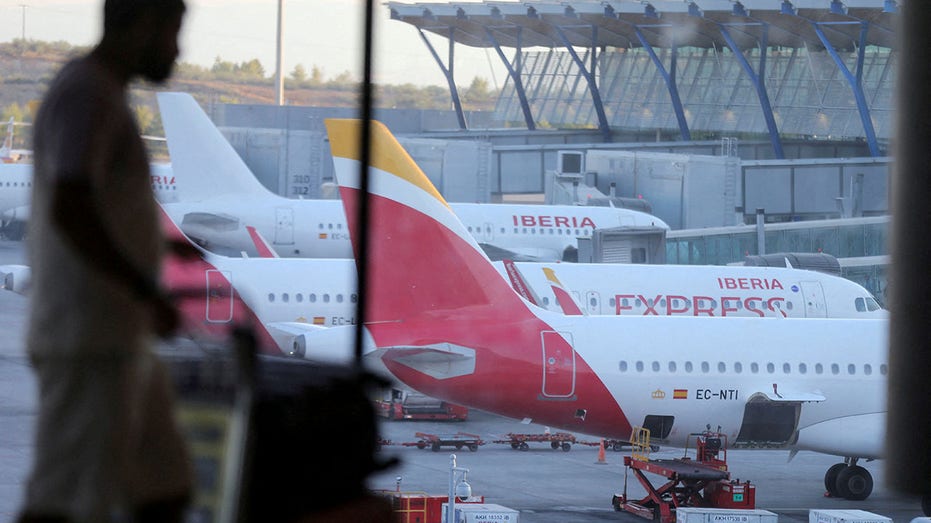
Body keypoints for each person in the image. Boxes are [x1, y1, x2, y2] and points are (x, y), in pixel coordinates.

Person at [18, 1, 193, 521]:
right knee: (64, 504)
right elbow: (71, 205)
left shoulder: (101, 95)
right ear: (139, 26)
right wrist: (144, 289)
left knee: (165, 492)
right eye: (170, 33)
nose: (176, 50)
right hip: (89, 339)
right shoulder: (87, 94)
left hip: (118, 338)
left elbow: (96, 205)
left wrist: (160, 247)